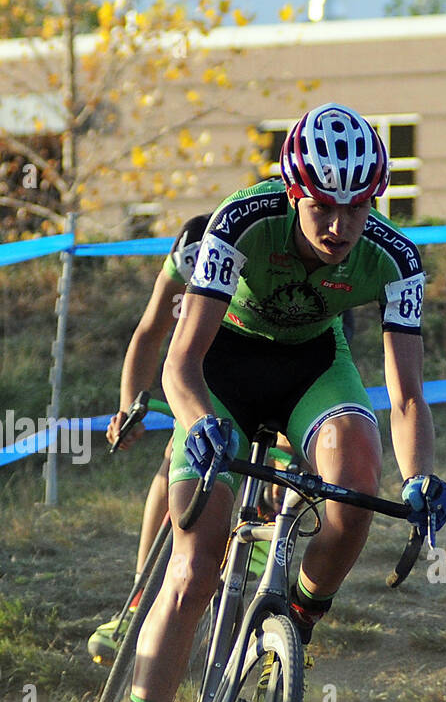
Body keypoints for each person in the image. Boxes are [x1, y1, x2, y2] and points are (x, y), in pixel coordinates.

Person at [89, 102, 446, 702]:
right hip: (221, 369)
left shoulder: (397, 258)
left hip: (313, 371)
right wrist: (200, 423)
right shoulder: (240, 222)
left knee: (357, 478)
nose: (339, 226)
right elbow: (179, 361)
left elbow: (408, 393)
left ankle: (296, 625)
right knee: (194, 568)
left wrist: (419, 479)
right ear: (295, 192)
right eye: (323, 206)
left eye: (357, 208)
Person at [87, 212, 295, 665]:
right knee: (176, 455)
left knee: (289, 465)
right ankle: (142, 592)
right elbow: (149, 333)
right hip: (205, 368)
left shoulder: (270, 255)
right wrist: (130, 406)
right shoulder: (191, 247)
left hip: (273, 358)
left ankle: (262, 591)